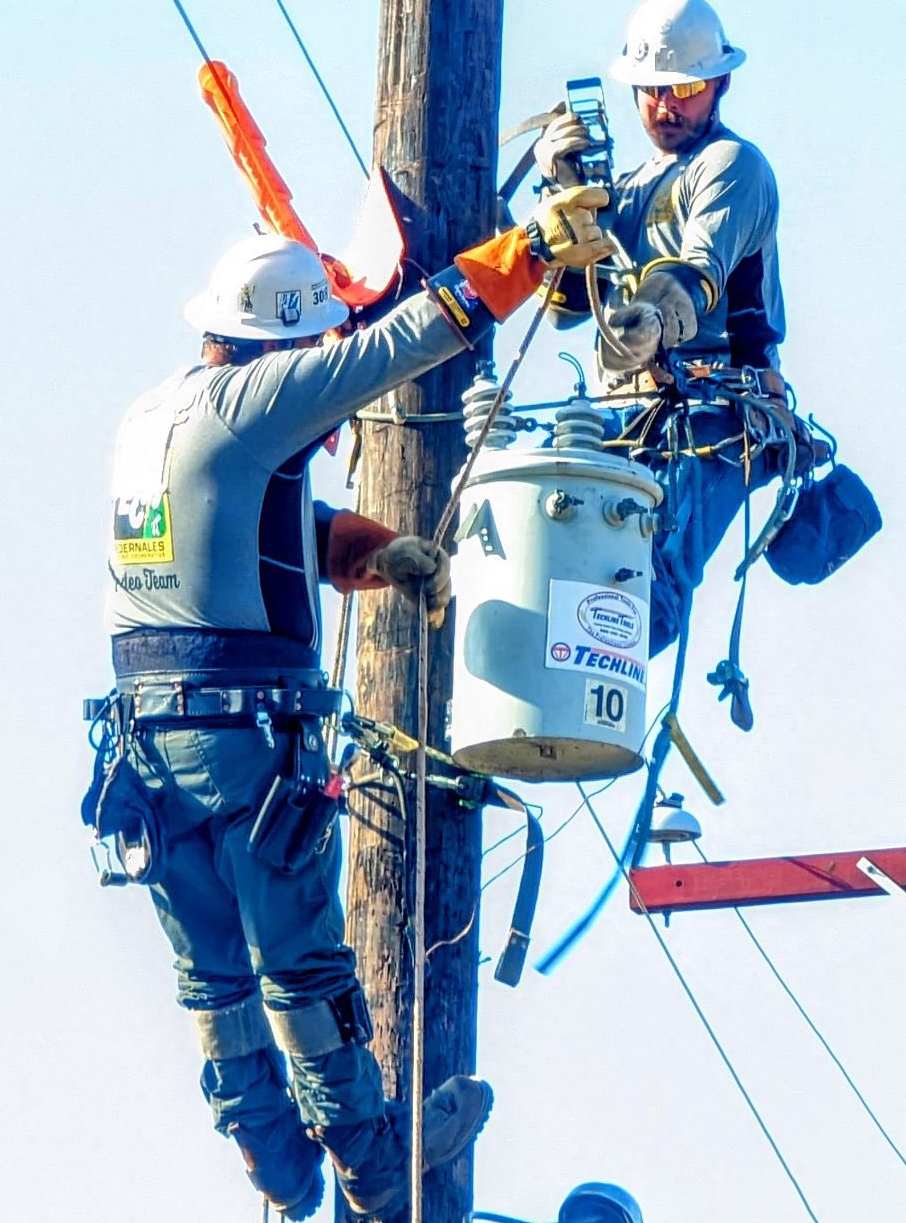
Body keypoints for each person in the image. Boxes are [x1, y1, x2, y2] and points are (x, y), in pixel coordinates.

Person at [87, 187, 612, 1219]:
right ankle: (378, 1169)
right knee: (303, 974)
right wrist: (530, 250)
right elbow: (400, 344)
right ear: (275, 345)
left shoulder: (152, 417)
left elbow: (239, 527)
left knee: (217, 986)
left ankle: (280, 1175)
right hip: (246, 747)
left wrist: (369, 553)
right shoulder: (257, 397)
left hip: (147, 762)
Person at [534, 0, 793, 661]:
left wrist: (651, 318)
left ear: (722, 83)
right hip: (627, 411)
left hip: (713, 412)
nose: (664, 107)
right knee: (558, 559)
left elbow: (694, 273)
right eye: (652, 90)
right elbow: (564, 308)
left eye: (686, 89)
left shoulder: (732, 168)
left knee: (649, 584)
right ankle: (549, 710)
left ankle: (586, 716)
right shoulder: (628, 186)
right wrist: (563, 206)